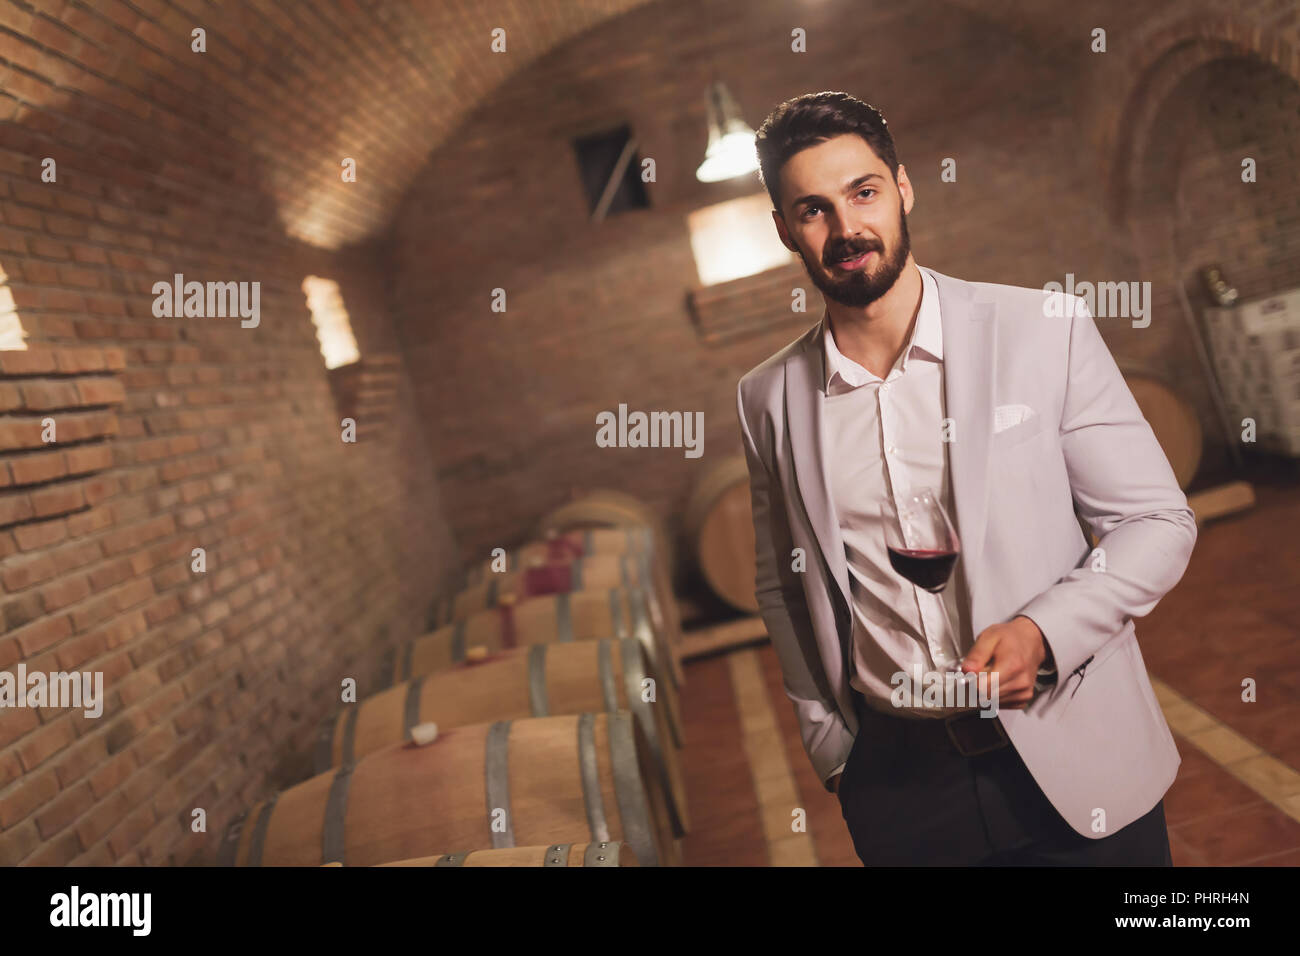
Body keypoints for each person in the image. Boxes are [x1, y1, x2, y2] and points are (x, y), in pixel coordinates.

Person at [735, 92, 1197, 865]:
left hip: (1074, 750)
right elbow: (782, 586)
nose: (847, 230)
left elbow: (1155, 523)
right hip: (904, 795)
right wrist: (836, 751)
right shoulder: (768, 399)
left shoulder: (1040, 329)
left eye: (864, 192)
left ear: (904, 188)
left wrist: (1044, 634)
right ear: (785, 229)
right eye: (813, 210)